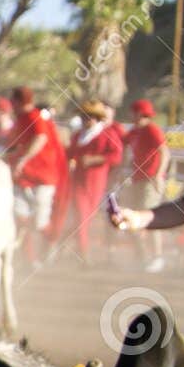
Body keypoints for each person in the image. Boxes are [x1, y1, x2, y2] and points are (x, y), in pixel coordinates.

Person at [5, 86, 64, 263]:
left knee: (38, 222)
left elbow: (41, 138)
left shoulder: (34, 116)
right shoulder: (20, 120)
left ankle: (52, 244)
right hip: (22, 179)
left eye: (13, 102)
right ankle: (29, 259)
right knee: (20, 218)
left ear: (18, 102)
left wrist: (23, 159)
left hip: (42, 178)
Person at [67, 100, 124, 262]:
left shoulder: (107, 134)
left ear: (97, 118)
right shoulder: (77, 136)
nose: (86, 120)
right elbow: (69, 153)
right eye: (84, 117)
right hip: (78, 181)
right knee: (81, 216)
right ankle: (83, 254)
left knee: (85, 218)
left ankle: (77, 249)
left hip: (96, 182)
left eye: (90, 117)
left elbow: (116, 156)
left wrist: (94, 159)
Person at [119, 99, 168, 272]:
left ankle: (157, 256)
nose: (130, 115)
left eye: (133, 112)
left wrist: (158, 175)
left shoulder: (151, 130)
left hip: (149, 180)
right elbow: (124, 146)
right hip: (136, 179)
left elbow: (164, 152)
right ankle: (141, 256)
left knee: (150, 217)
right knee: (133, 217)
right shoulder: (134, 132)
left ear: (139, 113)